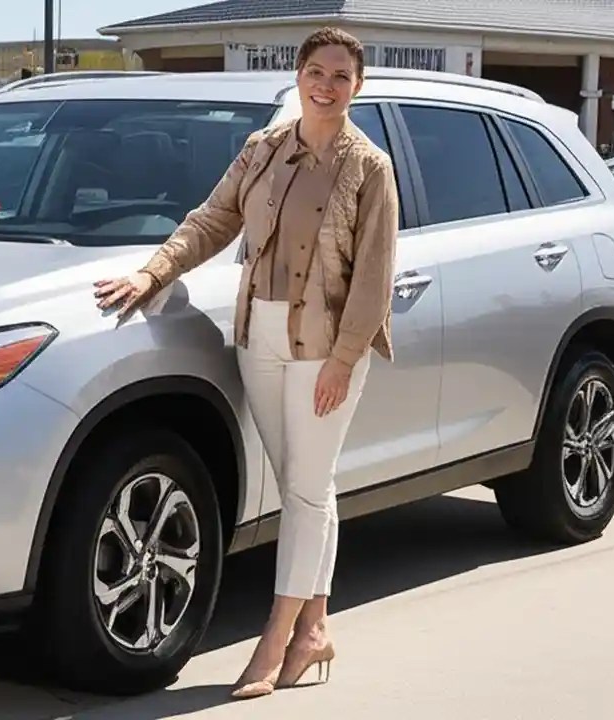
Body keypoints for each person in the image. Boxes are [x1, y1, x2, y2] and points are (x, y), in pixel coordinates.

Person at [92, 27, 398, 700]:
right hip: (258, 336)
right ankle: (316, 627)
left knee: (307, 490)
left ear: (359, 85)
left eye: (341, 75)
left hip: (326, 346)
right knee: (304, 486)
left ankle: (276, 637)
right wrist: (152, 272)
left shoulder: (369, 167)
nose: (326, 84)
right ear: (297, 74)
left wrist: (345, 360)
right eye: (316, 70)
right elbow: (210, 221)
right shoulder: (262, 150)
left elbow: (374, 278)